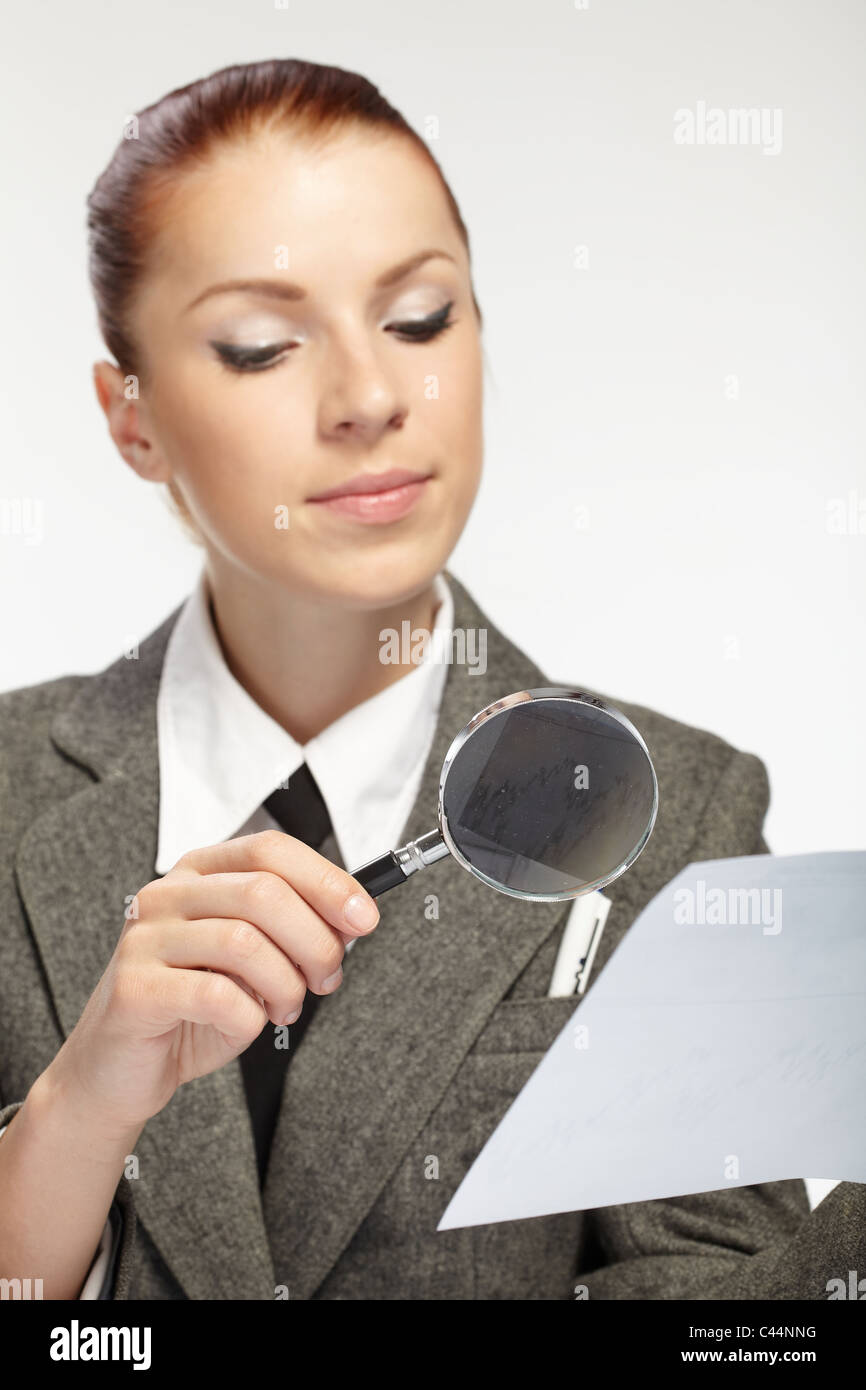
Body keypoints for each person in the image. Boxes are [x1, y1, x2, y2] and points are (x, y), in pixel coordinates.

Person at [0, 57, 859, 1302]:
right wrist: (79, 1107)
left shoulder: (676, 806)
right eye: (258, 347)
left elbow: (720, 1313)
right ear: (130, 418)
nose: (370, 397)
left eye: (417, 319)